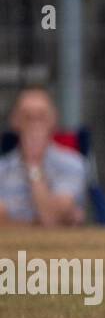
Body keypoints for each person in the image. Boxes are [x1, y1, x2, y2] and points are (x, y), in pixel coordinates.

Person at [0, 85, 86, 227]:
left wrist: (34, 166)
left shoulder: (73, 164)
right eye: (27, 117)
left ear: (53, 120)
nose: (34, 124)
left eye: (41, 117)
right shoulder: (2, 169)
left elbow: (51, 220)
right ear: (15, 121)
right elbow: (57, 223)